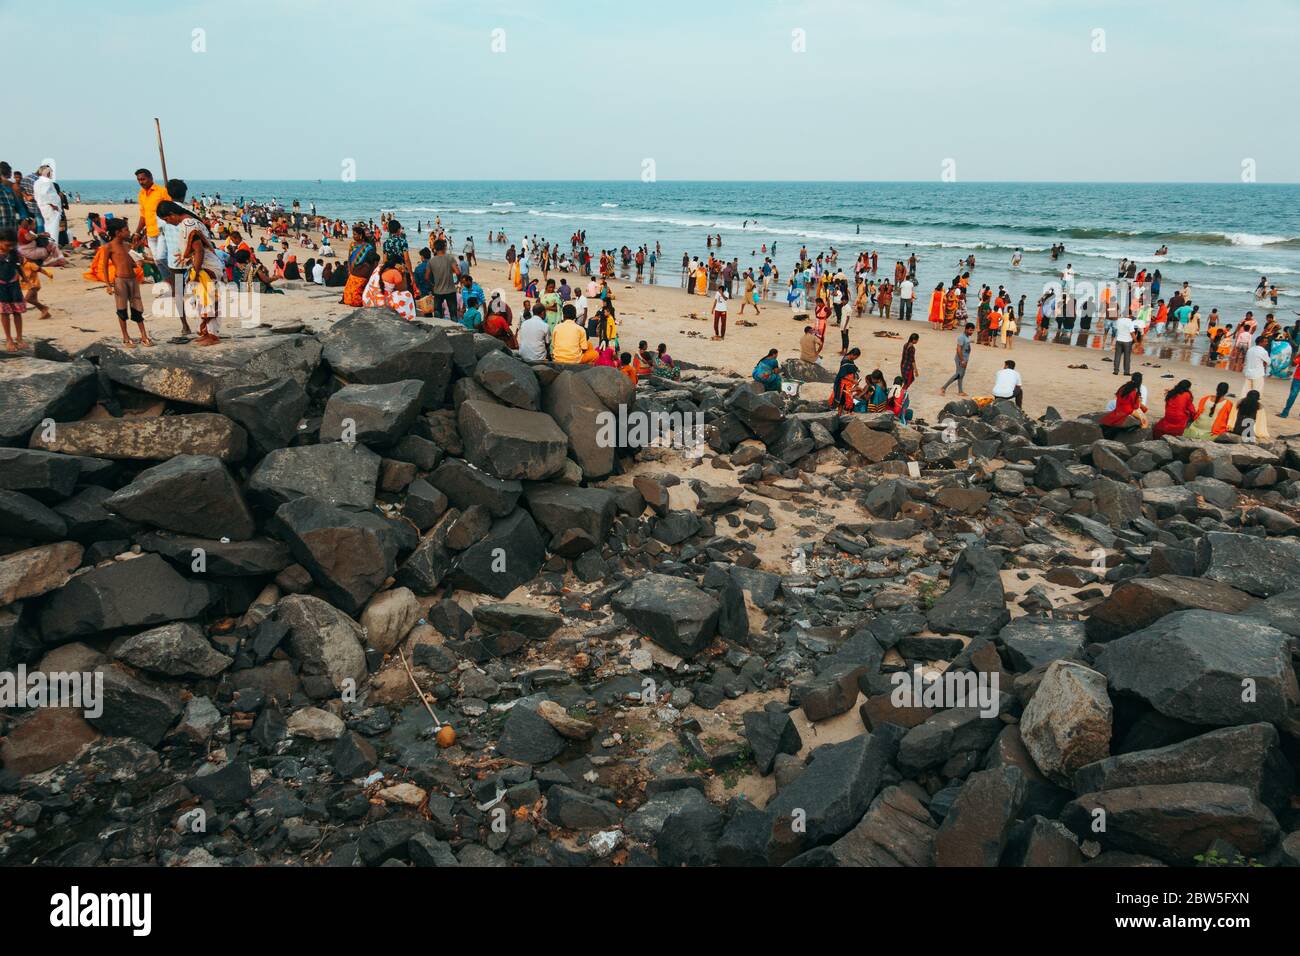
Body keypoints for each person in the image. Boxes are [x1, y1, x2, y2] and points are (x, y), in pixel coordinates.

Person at [157, 200, 222, 343]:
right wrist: (186, 258)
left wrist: (196, 272)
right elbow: (196, 250)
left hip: (206, 266)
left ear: (172, 214)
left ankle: (213, 335)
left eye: (166, 219)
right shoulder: (189, 223)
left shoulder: (188, 224)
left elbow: (199, 250)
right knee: (202, 300)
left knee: (208, 300)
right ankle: (206, 333)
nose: (167, 223)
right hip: (202, 265)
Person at [103, 219, 153, 348]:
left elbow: (130, 262)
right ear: (118, 232)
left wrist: (138, 263)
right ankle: (126, 337)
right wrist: (108, 285)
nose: (129, 232)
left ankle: (144, 336)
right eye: (126, 230)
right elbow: (104, 267)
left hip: (133, 280)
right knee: (122, 309)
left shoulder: (126, 245)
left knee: (137, 308)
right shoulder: (109, 247)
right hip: (120, 280)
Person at [133, 169, 171, 287]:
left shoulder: (161, 191)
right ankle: (170, 284)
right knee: (157, 261)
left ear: (151, 178)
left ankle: (177, 281)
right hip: (150, 233)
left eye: (143, 179)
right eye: (139, 180)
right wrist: (137, 232)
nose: (141, 182)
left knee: (162, 258)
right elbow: (143, 215)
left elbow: (171, 209)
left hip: (162, 231)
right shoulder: (141, 194)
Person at [0, 228, 26, 351]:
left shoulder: (15, 253)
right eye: (7, 245)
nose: (10, 248)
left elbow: (18, 266)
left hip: (14, 284)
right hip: (1, 287)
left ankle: (19, 338)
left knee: (17, 312)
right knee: (4, 313)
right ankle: (9, 339)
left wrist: (26, 279)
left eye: (13, 245)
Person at [940, 323, 975, 396]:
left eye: (972, 331)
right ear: (966, 329)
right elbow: (958, 349)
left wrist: (970, 342)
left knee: (961, 375)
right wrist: (962, 360)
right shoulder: (961, 337)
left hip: (965, 359)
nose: (971, 332)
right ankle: (944, 387)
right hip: (960, 359)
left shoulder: (966, 337)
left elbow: (964, 345)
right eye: (970, 330)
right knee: (958, 375)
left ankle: (960, 391)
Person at [1112, 310, 1135, 375]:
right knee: (1127, 357)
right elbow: (1132, 333)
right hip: (1127, 341)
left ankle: (1116, 371)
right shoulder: (1130, 322)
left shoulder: (1119, 320)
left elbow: (1116, 329)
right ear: (1129, 315)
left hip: (1119, 340)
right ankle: (1126, 372)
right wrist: (1136, 341)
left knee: (1117, 356)